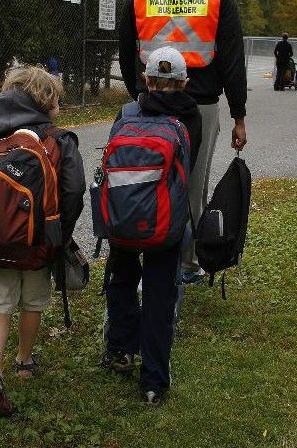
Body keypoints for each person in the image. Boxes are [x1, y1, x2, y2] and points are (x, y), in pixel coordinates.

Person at [118, 0, 248, 284]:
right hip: (201, 104)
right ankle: (185, 263)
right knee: (192, 185)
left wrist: (137, 93)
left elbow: (126, 42)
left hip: (151, 99)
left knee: (146, 174)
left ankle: (141, 243)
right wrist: (238, 114)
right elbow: (233, 57)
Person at [0, 66, 85, 417]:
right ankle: (24, 360)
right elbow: (73, 191)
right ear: (47, 101)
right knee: (32, 302)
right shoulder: (58, 140)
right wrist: (59, 233)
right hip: (38, 243)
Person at [101, 46, 202, 406]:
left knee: (123, 277)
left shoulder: (126, 112)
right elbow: (187, 172)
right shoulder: (191, 118)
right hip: (166, 221)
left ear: (146, 80)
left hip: (125, 216)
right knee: (161, 292)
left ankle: (120, 349)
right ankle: (153, 381)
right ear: (185, 83)